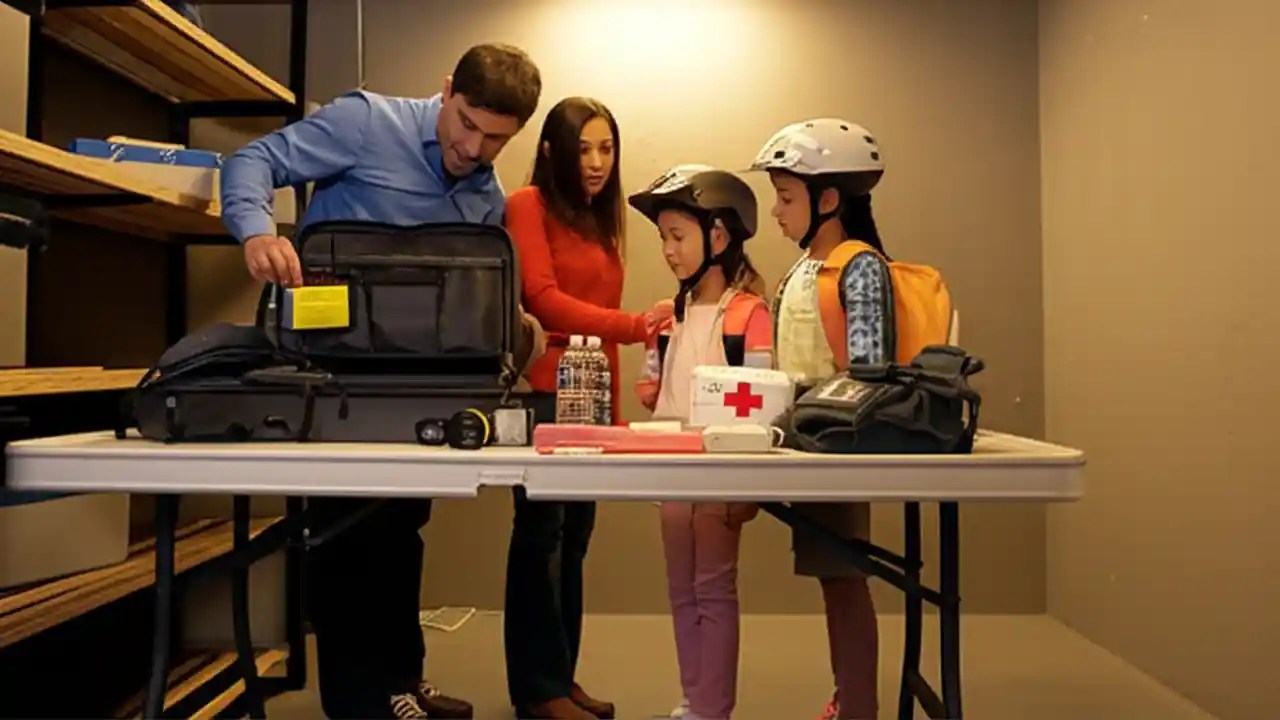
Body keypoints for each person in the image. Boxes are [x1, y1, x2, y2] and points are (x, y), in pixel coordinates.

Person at [219, 43, 544, 720]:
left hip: (421, 380)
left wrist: (511, 320)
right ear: (447, 88)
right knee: (347, 530)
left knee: (402, 527)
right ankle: (365, 700)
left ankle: (403, 678)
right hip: (333, 369)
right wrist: (255, 233)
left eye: (495, 139)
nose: (473, 148)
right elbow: (254, 160)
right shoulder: (367, 123)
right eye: (465, 124)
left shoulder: (485, 194)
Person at [502, 96, 672, 720]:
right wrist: (633, 325)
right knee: (540, 538)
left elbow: (598, 332)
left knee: (575, 541)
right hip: (543, 393)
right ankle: (537, 690)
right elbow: (541, 300)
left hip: (589, 397)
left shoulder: (600, 220)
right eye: (583, 149)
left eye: (607, 148)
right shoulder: (528, 205)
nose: (598, 162)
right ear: (550, 151)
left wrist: (613, 413)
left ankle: (560, 677)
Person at [749, 118, 891, 720]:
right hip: (801, 441)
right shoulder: (799, 271)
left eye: (786, 198)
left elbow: (870, 368)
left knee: (843, 575)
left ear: (828, 199)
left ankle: (858, 705)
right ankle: (848, 698)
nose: (777, 213)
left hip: (838, 443)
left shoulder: (858, 267)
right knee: (833, 576)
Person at [629, 165, 773, 720]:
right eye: (663, 236)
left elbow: (761, 397)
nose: (668, 250)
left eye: (677, 235)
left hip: (719, 470)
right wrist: (652, 350)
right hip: (671, 468)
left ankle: (713, 707)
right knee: (680, 589)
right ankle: (694, 700)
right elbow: (651, 391)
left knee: (713, 589)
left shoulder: (748, 314)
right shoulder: (672, 316)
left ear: (719, 236)